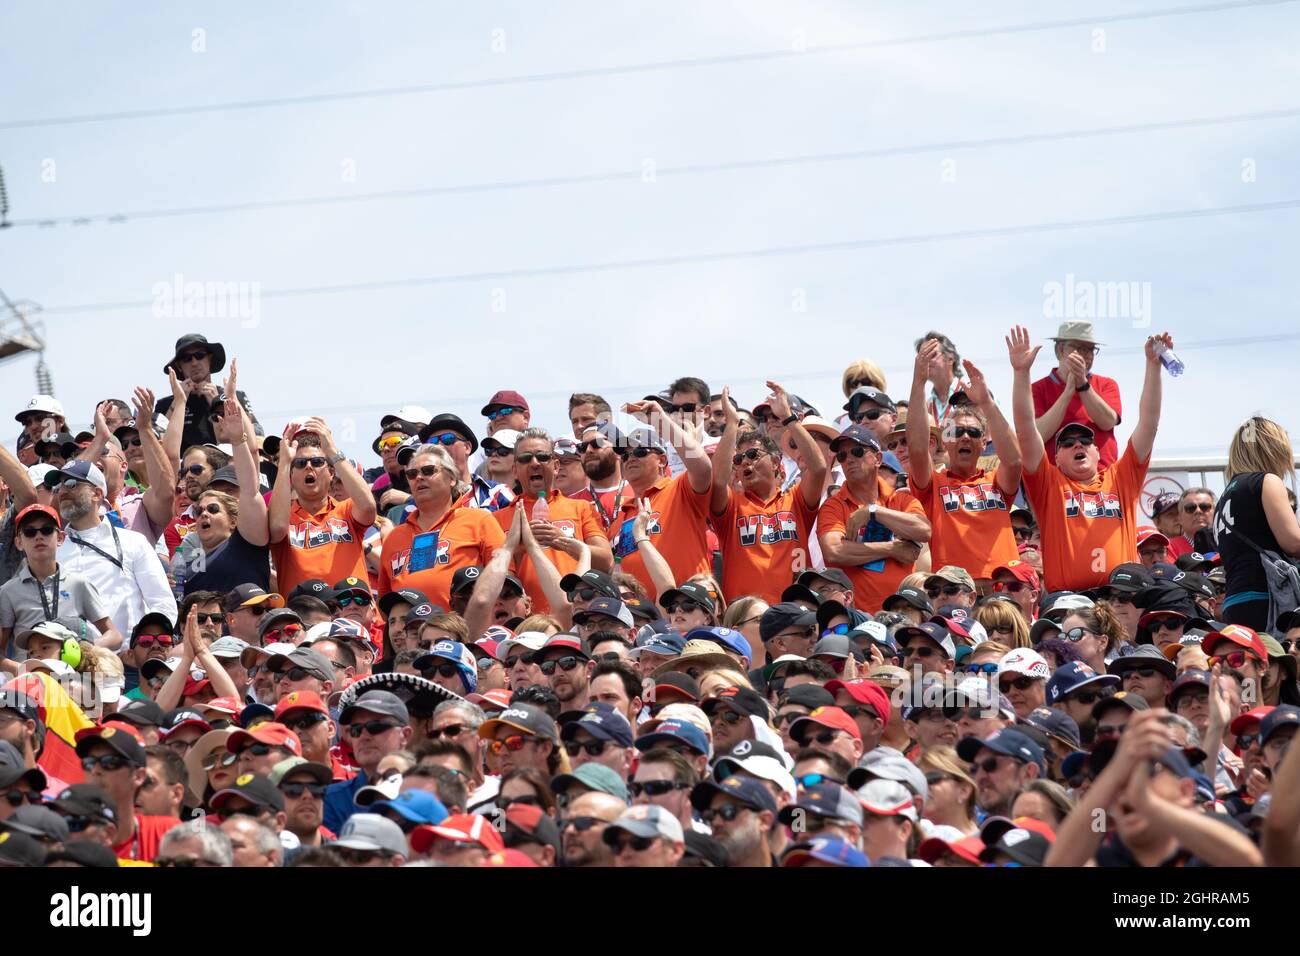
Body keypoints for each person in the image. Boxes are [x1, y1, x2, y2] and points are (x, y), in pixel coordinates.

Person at [1009, 325, 1169, 592]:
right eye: (1068, 443)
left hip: (1121, 597)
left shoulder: (1120, 479)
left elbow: (1149, 423)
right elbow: (1027, 432)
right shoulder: (1050, 486)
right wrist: (1020, 373)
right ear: (1056, 458)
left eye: (1085, 441)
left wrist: (1153, 366)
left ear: (1098, 451)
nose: (1077, 446)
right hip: (1070, 602)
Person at [907, 344, 1022, 583]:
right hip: (953, 594)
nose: (965, 437)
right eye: (957, 431)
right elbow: (917, 449)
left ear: (984, 442)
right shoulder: (933, 485)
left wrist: (987, 403)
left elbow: (1014, 459)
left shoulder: (996, 482)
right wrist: (918, 383)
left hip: (1002, 593)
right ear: (945, 440)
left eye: (972, 432)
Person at [709, 383, 825, 605]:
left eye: (752, 454)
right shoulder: (731, 507)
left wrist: (789, 419)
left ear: (775, 462)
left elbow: (818, 468)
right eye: (738, 459)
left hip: (795, 612)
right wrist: (731, 424)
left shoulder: (796, 501)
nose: (744, 462)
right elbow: (717, 480)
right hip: (746, 618)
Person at [48, 460, 176, 642]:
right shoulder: (53, 551)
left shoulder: (133, 542)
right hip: (67, 663)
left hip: (124, 662)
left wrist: (144, 649)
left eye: (71, 484)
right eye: (59, 487)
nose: (62, 492)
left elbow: (162, 604)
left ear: (97, 494)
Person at [492, 428, 613, 613]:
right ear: (515, 470)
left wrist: (563, 542)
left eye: (542, 457)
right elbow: (492, 577)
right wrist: (520, 547)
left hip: (577, 615)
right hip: (526, 622)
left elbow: (606, 562)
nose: (534, 463)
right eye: (525, 458)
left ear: (556, 466)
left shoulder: (581, 508)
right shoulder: (496, 519)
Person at [378, 443, 506, 610]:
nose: (419, 477)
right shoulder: (394, 537)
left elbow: (505, 578)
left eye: (429, 470)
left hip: (465, 630)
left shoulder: (479, 520)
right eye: (411, 474)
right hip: (411, 632)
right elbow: (384, 600)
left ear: (452, 478)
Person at [817, 425, 931, 612]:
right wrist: (892, 549)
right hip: (855, 616)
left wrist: (874, 511)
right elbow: (834, 551)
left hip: (903, 613)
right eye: (842, 456)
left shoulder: (901, 500)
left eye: (857, 451)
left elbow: (924, 530)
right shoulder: (833, 506)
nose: (849, 460)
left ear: (878, 458)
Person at [1, 504, 122, 666]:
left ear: (60, 538)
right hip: (30, 680)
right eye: (30, 532)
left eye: (47, 530)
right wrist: (20, 670)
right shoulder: (8, 591)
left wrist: (83, 648)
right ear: (18, 542)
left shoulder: (79, 583)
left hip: (74, 674)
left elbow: (114, 635)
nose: (38, 536)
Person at [269, 417, 377, 596]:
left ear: (331, 472)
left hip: (350, 612)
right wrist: (284, 463)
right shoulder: (282, 516)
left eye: (318, 462)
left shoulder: (347, 510)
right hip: (303, 617)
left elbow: (368, 508)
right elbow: (276, 528)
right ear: (291, 475)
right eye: (300, 463)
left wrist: (332, 450)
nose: (309, 467)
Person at [1213, 417, 1300, 630]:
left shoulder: (1223, 498)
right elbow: (1293, 543)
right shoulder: (1266, 481)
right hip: (1267, 598)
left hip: (1234, 601)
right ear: (1272, 449)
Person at [1030, 321, 1123, 469]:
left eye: (1091, 350)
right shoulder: (1037, 389)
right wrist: (1068, 392)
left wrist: (1082, 384)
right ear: (1060, 350)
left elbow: (1107, 422)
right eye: (1080, 348)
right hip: (1054, 483)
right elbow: (1037, 434)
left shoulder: (1107, 384)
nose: (1087, 355)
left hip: (1102, 480)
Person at [154, 335, 261, 451]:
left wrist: (218, 404)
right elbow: (154, 443)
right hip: (184, 467)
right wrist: (178, 402)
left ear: (210, 358)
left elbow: (258, 434)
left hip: (228, 464)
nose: (194, 363)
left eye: (200, 355)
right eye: (187, 358)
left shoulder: (233, 396)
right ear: (179, 366)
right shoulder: (165, 404)